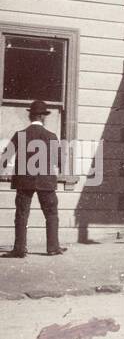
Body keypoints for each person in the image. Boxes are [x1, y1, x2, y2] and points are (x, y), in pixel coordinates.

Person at [3, 100, 65, 257]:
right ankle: (52, 248)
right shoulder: (51, 136)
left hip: (24, 181)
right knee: (51, 213)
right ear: (43, 117)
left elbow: (5, 157)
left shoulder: (20, 135)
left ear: (30, 116)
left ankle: (19, 249)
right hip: (46, 181)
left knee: (22, 214)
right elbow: (60, 161)